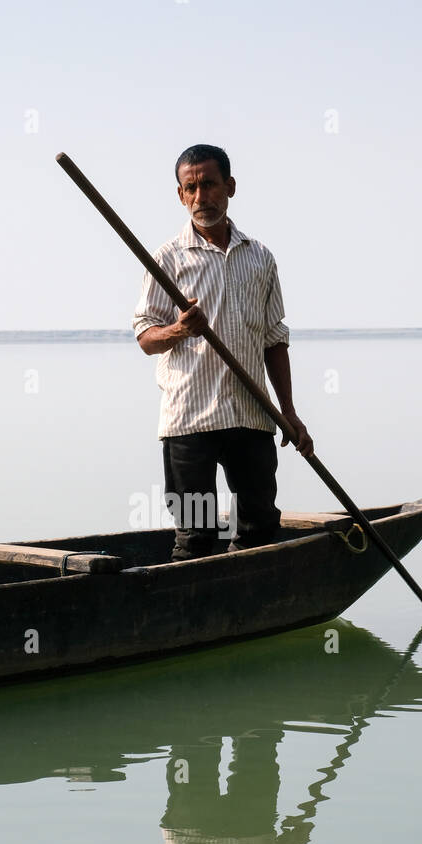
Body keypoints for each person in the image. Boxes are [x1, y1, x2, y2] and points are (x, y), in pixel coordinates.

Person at [132, 143, 313, 561]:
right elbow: (145, 337)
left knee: (260, 527)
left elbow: (274, 338)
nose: (201, 198)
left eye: (209, 185)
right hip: (189, 420)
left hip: (251, 415)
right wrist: (179, 329)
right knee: (195, 535)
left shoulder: (260, 258)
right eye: (190, 188)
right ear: (180, 195)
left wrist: (287, 410)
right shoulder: (167, 259)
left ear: (229, 187)